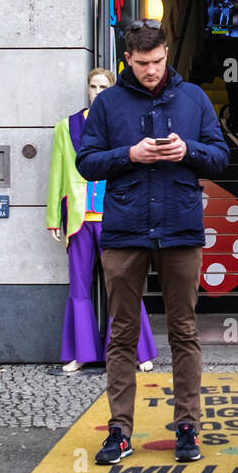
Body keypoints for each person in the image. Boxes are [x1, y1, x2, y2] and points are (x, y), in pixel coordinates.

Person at [76, 22, 229, 467]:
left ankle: (187, 427)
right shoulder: (107, 103)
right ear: (128, 58)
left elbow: (221, 156)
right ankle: (119, 431)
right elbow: (86, 162)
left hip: (180, 228)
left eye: (158, 61)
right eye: (142, 64)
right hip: (125, 231)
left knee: (184, 331)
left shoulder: (194, 98)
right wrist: (130, 155)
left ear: (167, 53)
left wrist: (189, 151)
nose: (150, 70)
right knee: (121, 334)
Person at [46, 67, 156, 373]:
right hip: (79, 218)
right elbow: (56, 175)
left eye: (104, 87)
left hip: (116, 215)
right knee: (79, 288)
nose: (97, 92)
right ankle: (82, 351)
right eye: (93, 86)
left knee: (124, 286)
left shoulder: (124, 125)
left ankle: (136, 350)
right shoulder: (65, 128)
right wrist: (53, 217)